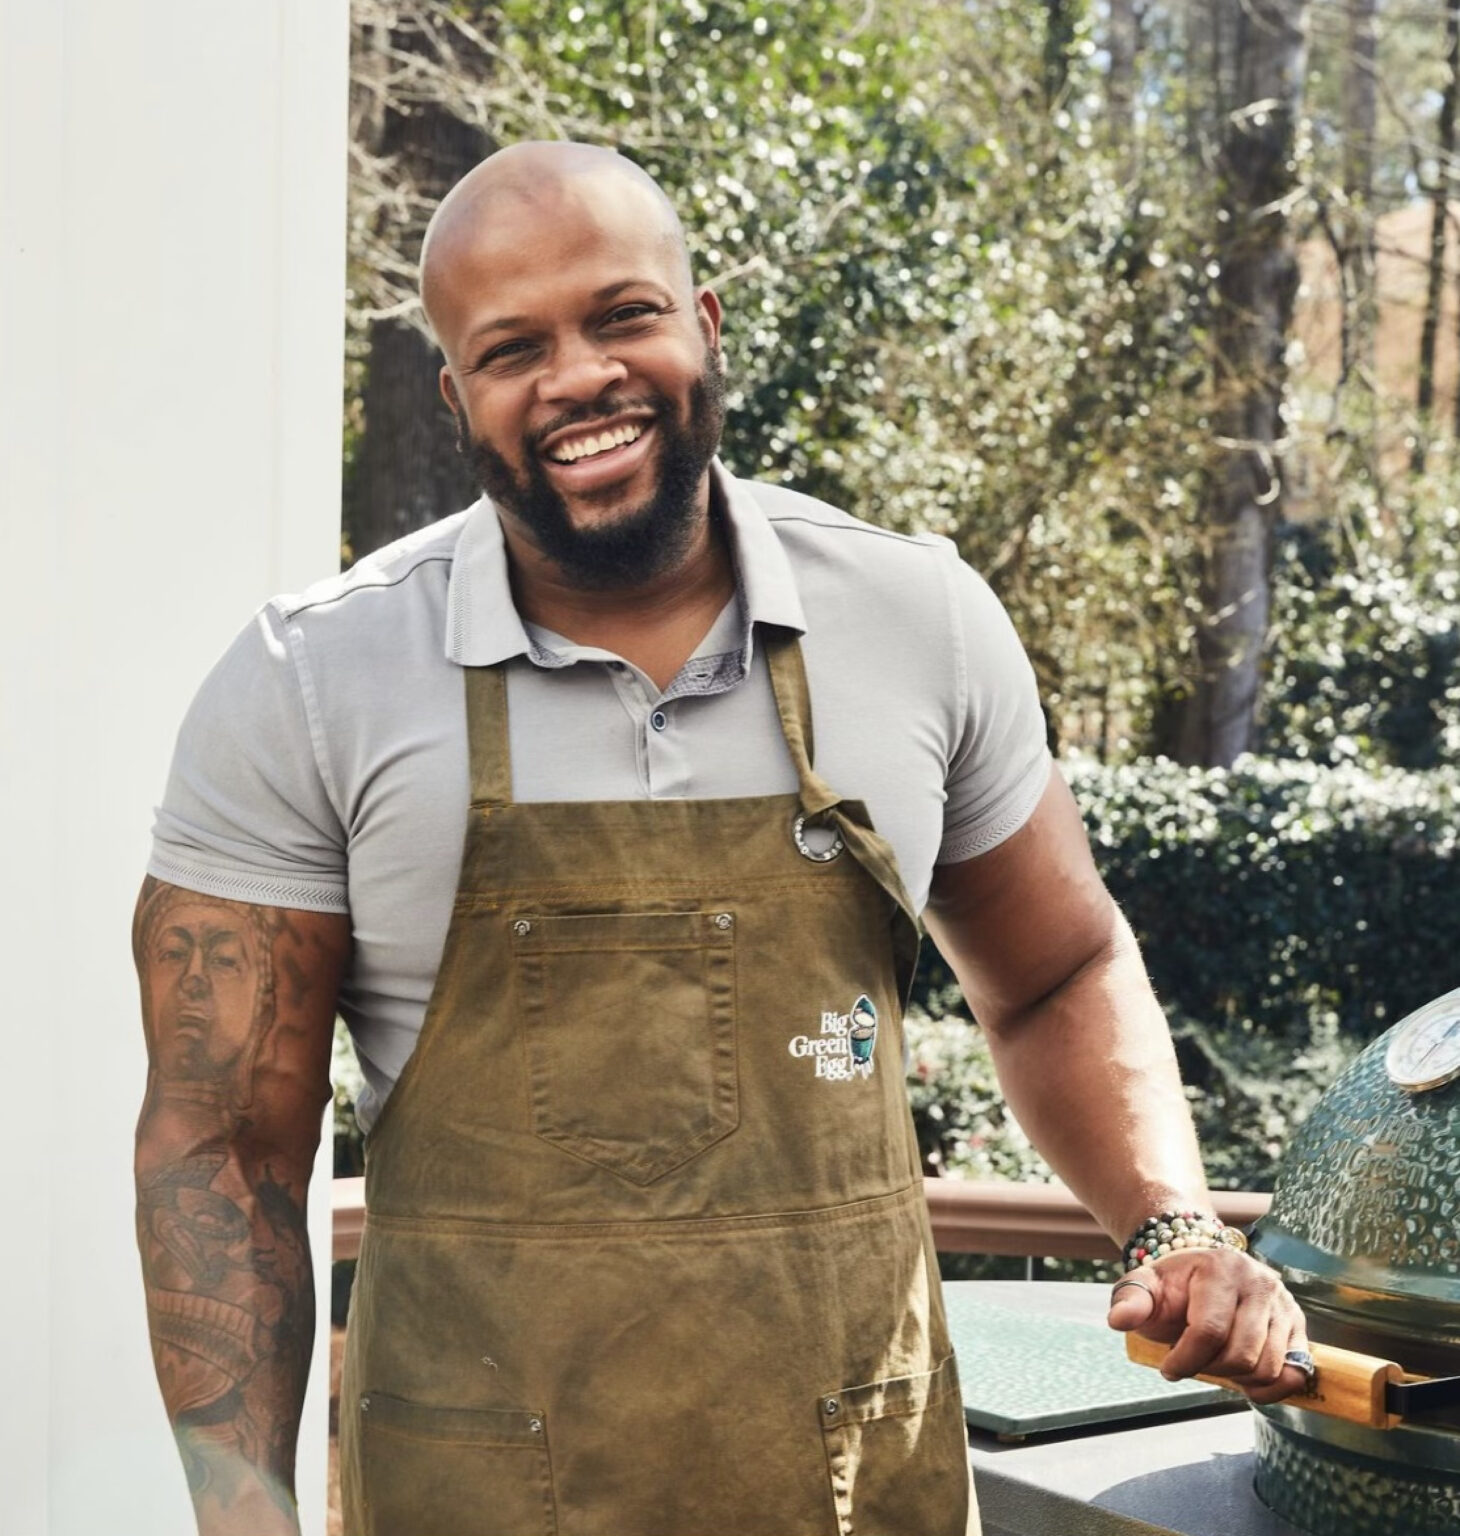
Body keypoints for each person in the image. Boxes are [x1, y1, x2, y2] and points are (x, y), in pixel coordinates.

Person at [134, 140, 1310, 1536]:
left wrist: (1172, 1222)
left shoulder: (915, 621)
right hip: (469, 1496)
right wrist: (243, 1514)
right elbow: (224, 1146)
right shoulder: (309, 684)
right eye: (513, 347)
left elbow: (1057, 969)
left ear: (703, 323)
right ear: (456, 397)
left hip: (858, 1492)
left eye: (621, 314)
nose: (577, 376)